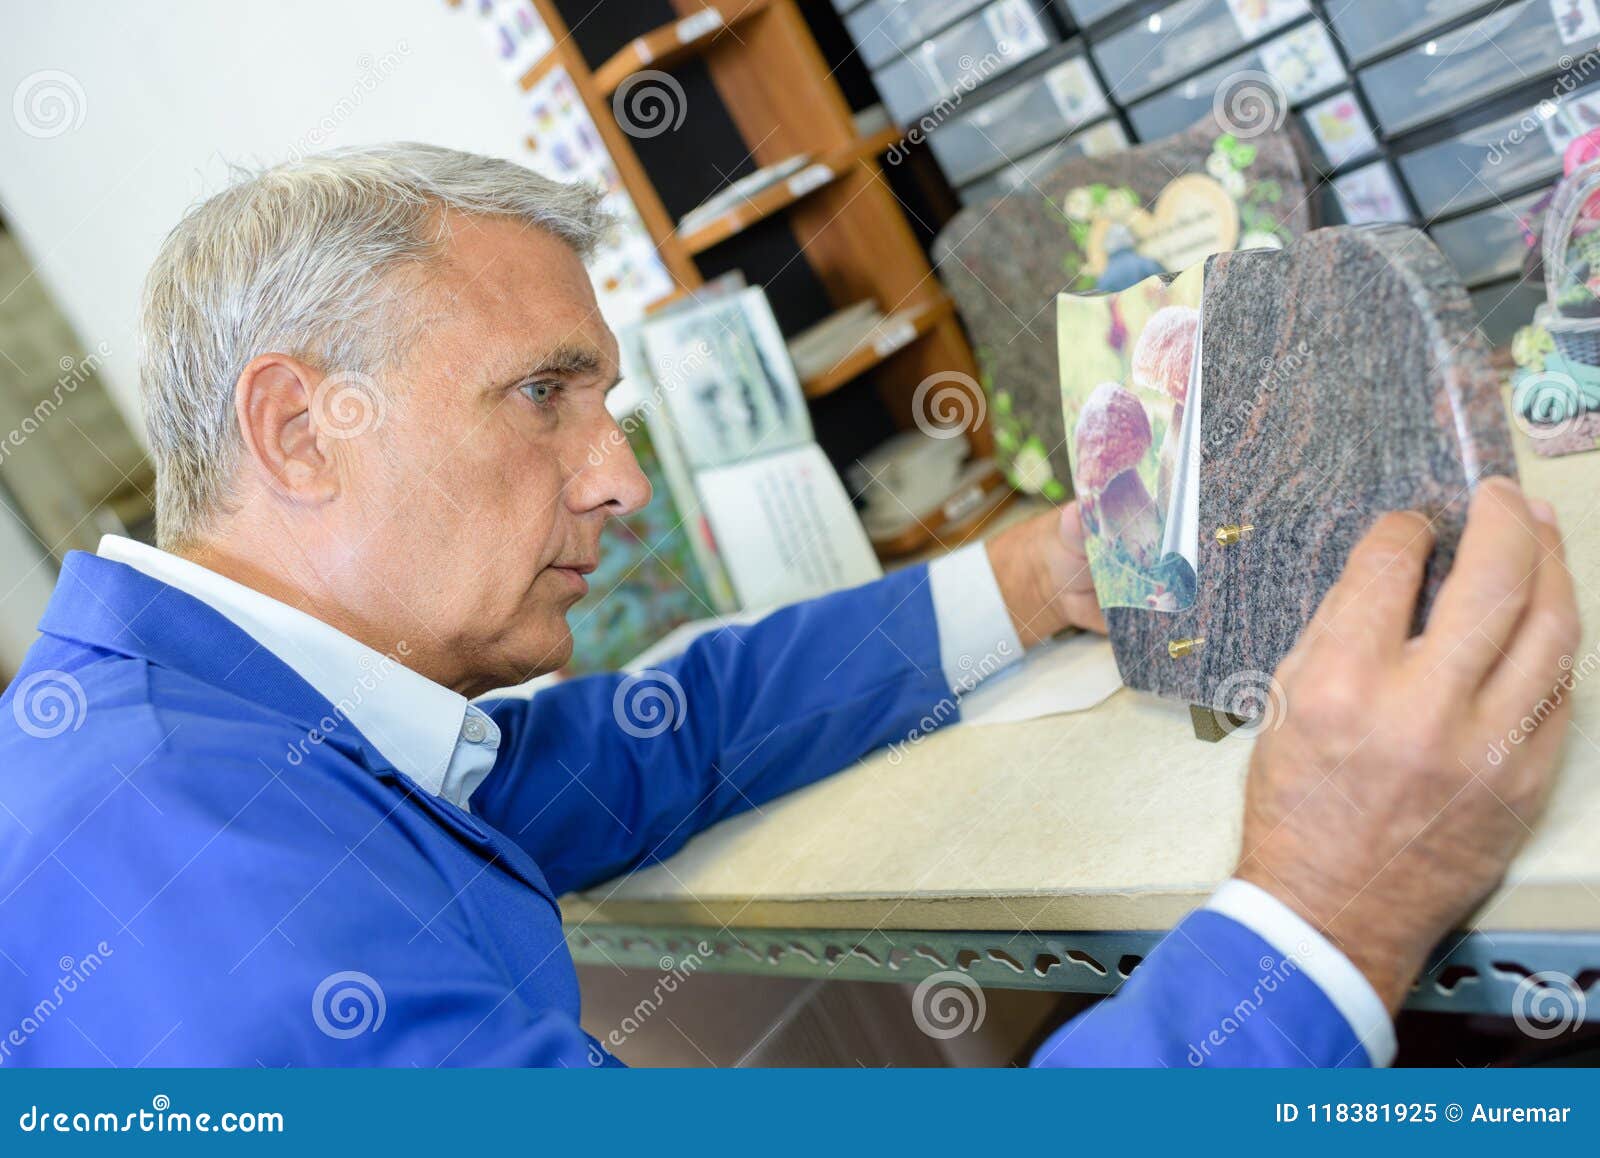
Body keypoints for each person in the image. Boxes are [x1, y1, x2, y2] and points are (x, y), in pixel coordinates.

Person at [0, 145, 1577, 1068]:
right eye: (545, 394)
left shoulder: (237, 722)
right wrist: (1325, 910)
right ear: (296, 429)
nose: (616, 476)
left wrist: (1015, 579)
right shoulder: (207, 908)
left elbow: (644, 747)